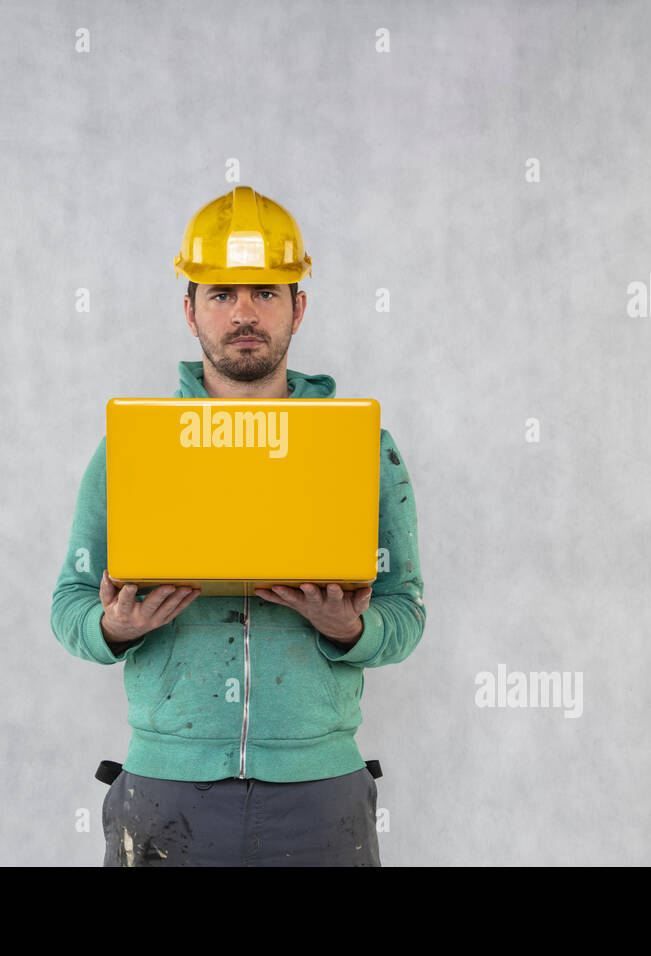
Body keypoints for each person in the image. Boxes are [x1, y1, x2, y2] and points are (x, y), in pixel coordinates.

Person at [49, 185, 427, 866]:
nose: (244, 312)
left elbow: (405, 611)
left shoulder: (366, 448)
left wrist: (353, 630)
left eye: (266, 291)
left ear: (299, 306)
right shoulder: (131, 450)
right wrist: (116, 628)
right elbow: (70, 604)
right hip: (168, 792)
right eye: (221, 293)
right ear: (189, 310)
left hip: (318, 796)